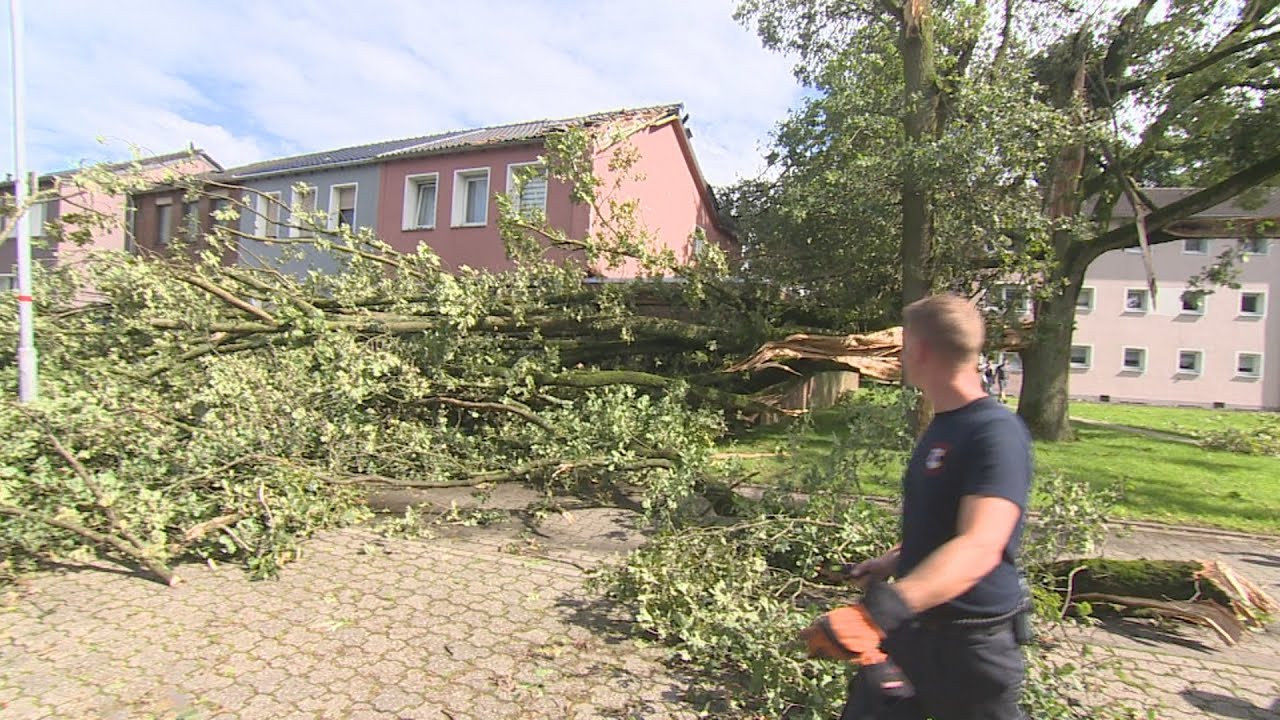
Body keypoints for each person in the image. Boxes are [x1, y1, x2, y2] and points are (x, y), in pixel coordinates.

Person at [800, 294, 1033, 720]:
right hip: (912, 637)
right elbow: (944, 528)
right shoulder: (945, 425)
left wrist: (883, 608)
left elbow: (980, 545)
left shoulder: (995, 433)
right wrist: (893, 562)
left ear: (919, 349)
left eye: (903, 345)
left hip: (969, 650)